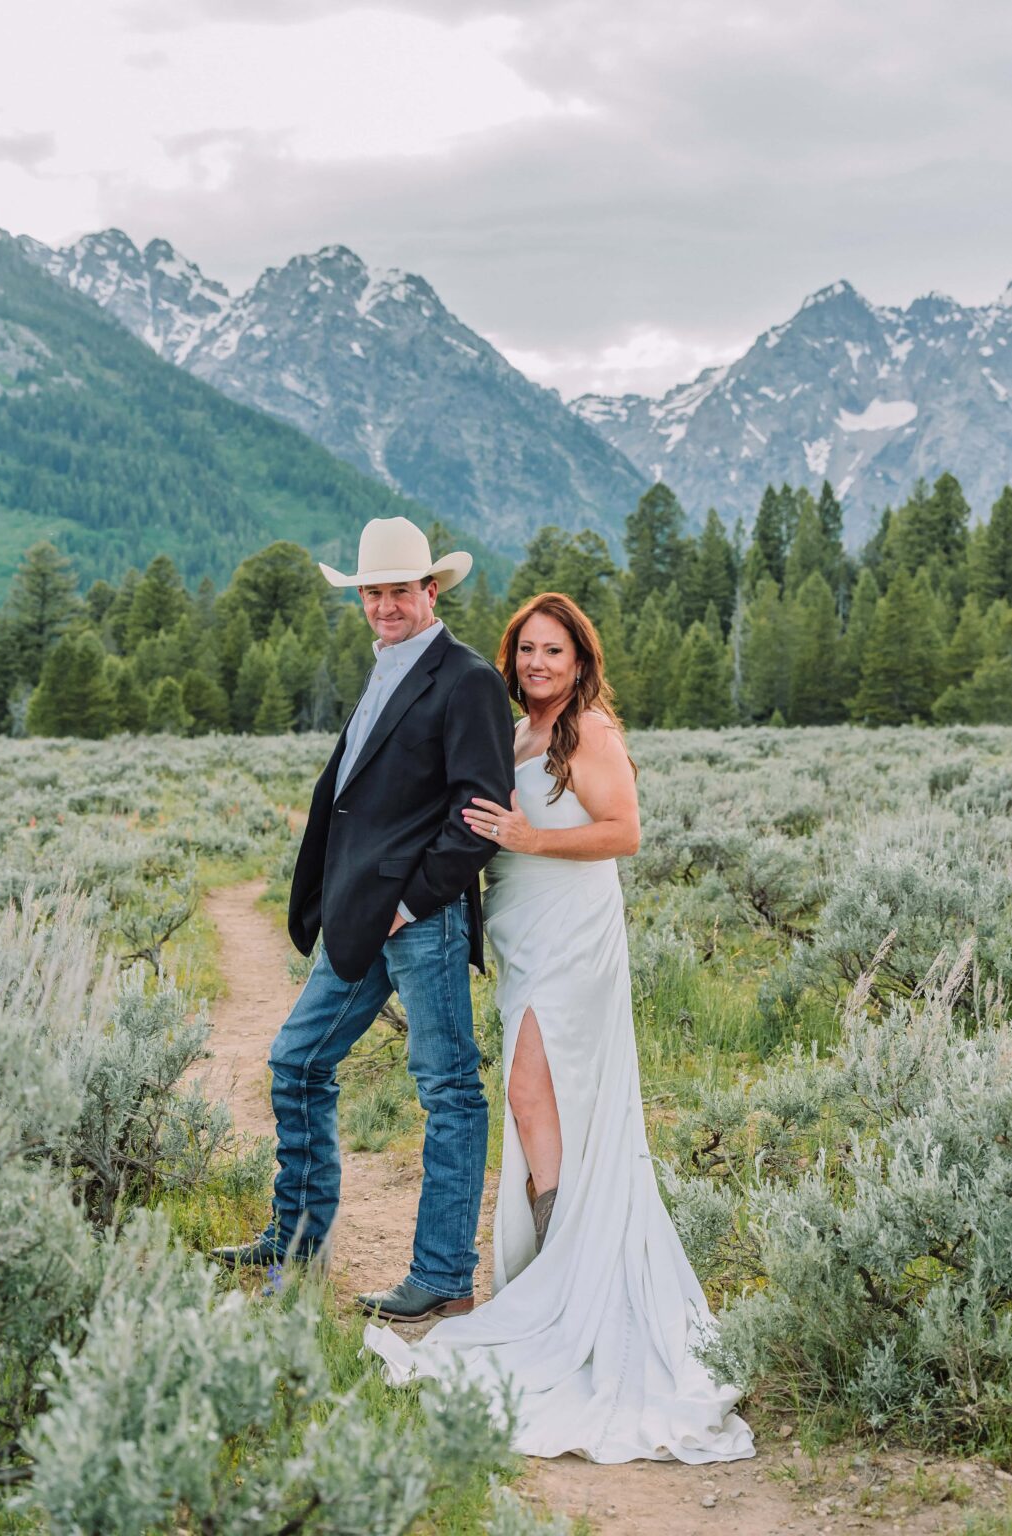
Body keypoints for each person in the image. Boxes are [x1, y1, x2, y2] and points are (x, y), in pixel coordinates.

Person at [364, 592, 754, 1464]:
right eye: (527, 651)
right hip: (522, 937)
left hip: (573, 936)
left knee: (536, 1091)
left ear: (580, 661)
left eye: (554, 651)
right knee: (543, 1105)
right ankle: (561, 1271)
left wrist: (530, 839)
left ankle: (566, 1280)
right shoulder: (509, 736)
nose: (538, 664)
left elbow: (625, 832)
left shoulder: (589, 734)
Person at [212, 517, 515, 1325]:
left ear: (430, 591)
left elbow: (480, 811)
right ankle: (297, 1236)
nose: (382, 605)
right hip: (362, 917)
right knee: (295, 1062)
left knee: (447, 1088)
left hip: (422, 918)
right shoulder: (389, 667)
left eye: (396, 591)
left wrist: (412, 901)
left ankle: (444, 1276)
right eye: (370, 593)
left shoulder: (466, 678)